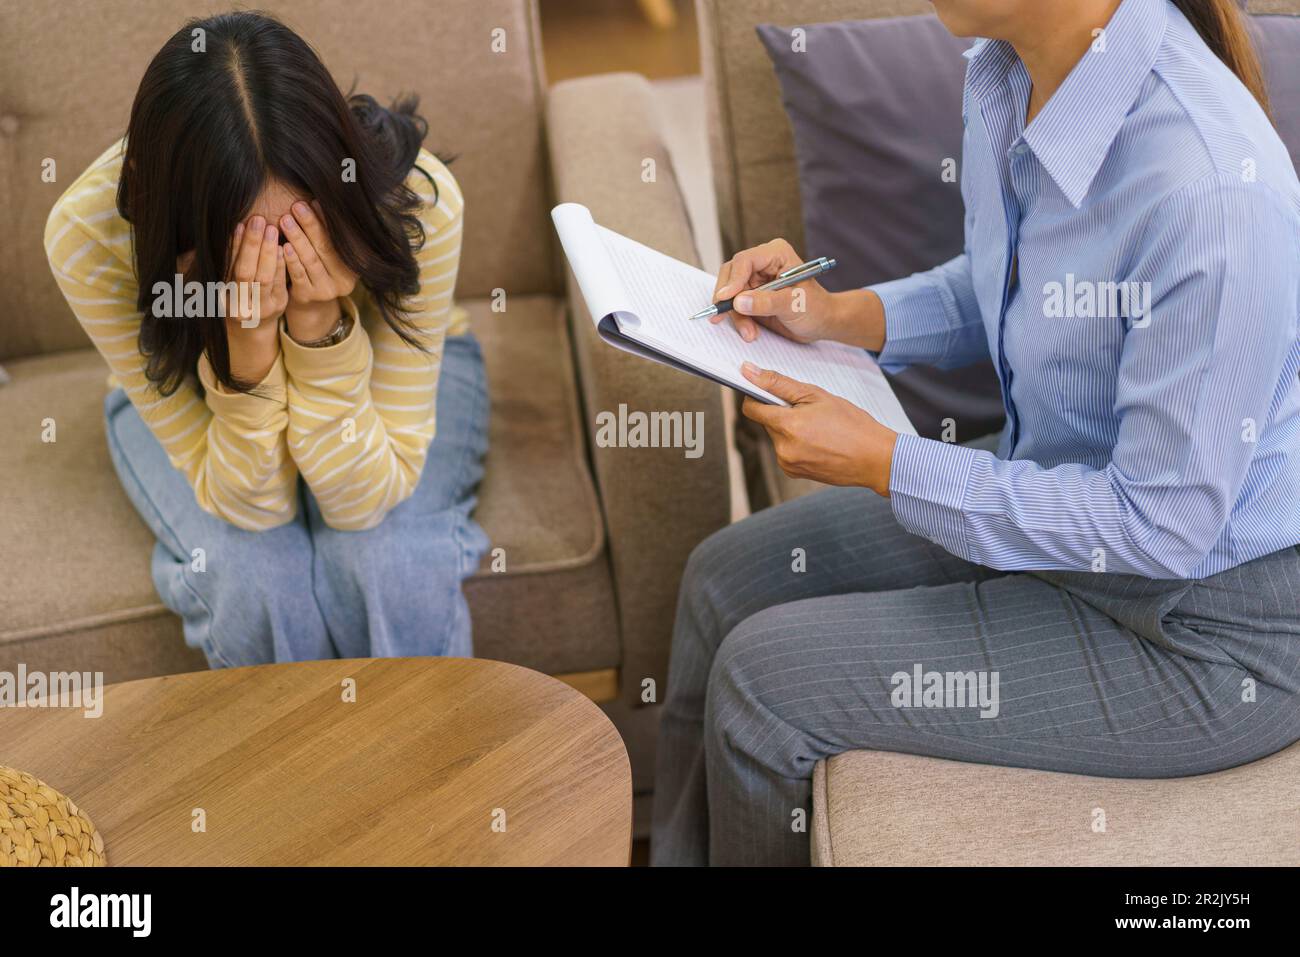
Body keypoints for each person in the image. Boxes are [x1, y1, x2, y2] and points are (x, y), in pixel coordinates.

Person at [652, 0, 1300, 865]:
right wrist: (840, 315)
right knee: (720, 577)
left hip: (1202, 622)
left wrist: (893, 464)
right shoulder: (1007, 73)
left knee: (763, 686)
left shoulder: (1210, 187)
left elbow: (1159, 525)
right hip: (1069, 488)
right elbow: (1007, 285)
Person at [44, 11, 489, 666]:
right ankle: (301, 770)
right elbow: (257, 511)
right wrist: (245, 356)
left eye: (300, 232)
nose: (276, 265)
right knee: (256, 578)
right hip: (190, 382)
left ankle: (437, 768)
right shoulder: (86, 238)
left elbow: (361, 504)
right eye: (246, 243)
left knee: (388, 560)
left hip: (393, 366)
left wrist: (320, 326)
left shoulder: (420, 202)